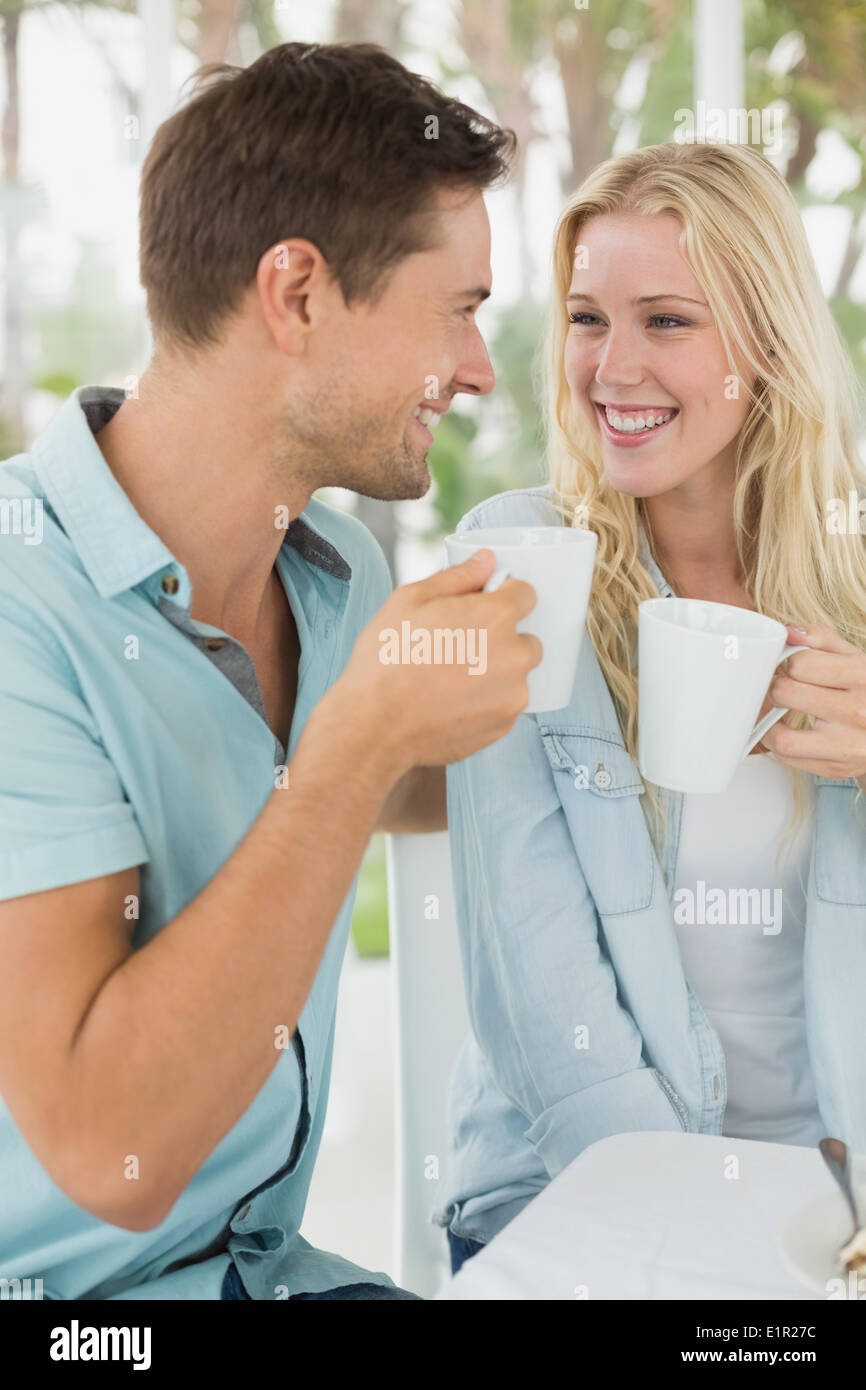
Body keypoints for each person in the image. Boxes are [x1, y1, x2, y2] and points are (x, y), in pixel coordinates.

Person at [0, 42, 542, 1300]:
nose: (475, 369)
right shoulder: (20, 602)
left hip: (268, 1274)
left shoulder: (332, 570)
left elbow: (418, 777)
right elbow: (109, 1151)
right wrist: (357, 745)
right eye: (456, 308)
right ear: (296, 293)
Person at [431, 139, 866, 1275]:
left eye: (664, 321)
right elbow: (537, 994)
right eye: (586, 318)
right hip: (577, 1201)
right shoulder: (521, 563)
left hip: (832, 1215)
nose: (609, 367)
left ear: (763, 343)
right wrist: (704, 1249)